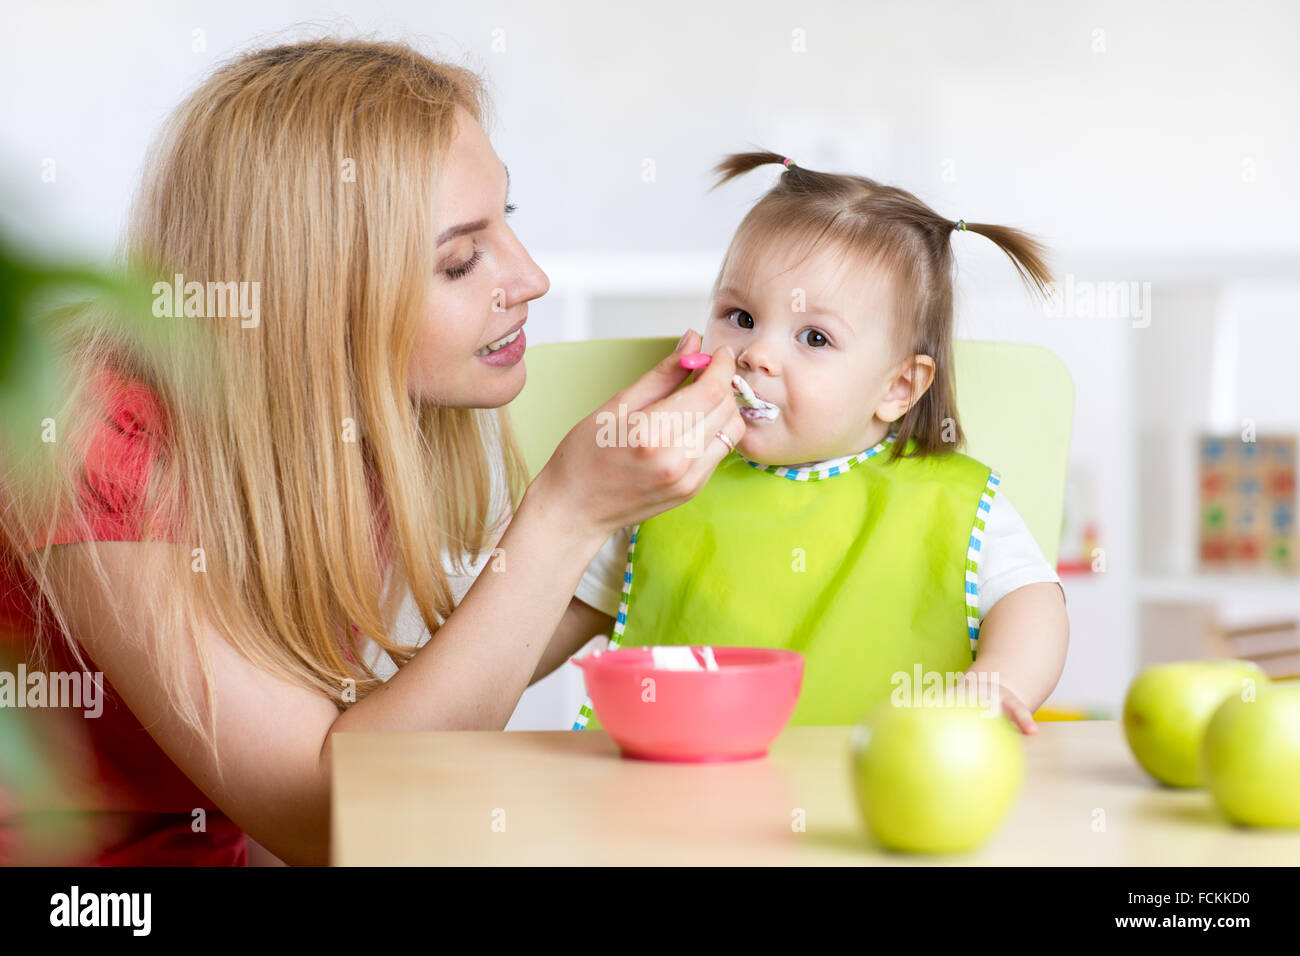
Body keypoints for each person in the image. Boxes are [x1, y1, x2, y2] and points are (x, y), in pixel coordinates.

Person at [0, 38, 745, 866]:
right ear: (314, 297)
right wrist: (567, 516)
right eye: (461, 260)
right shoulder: (98, 439)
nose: (529, 277)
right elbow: (333, 814)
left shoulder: (351, 421)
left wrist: (609, 553)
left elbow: (389, 720)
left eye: (509, 221)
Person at [573, 152, 1070, 733]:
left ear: (898, 386)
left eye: (813, 337)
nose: (757, 353)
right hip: (670, 796)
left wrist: (996, 685)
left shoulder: (954, 503)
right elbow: (536, 632)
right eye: (739, 316)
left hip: (880, 799)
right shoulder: (662, 479)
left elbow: (1035, 604)